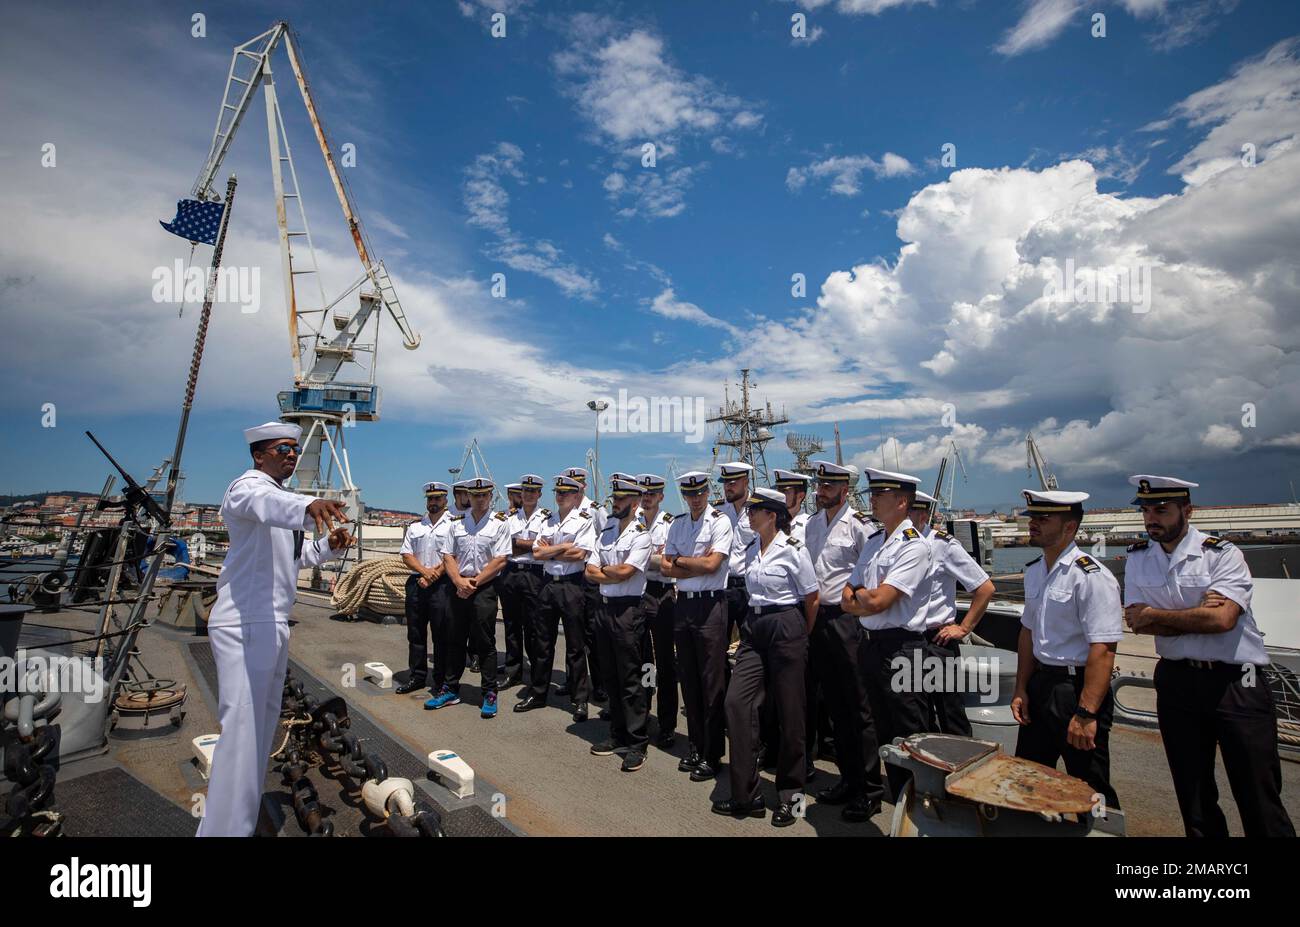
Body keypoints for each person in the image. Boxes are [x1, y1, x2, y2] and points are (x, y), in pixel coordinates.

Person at [197, 422, 352, 837]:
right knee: (242, 734)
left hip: (272, 623)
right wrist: (308, 505)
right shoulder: (245, 488)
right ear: (258, 455)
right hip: (245, 622)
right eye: (282, 448)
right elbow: (265, 503)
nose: (290, 454)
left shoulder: (281, 500)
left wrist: (327, 548)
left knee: (260, 736)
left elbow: (294, 561)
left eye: (294, 449)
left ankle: (240, 825)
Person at [1123, 474, 1294, 837]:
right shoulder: (1139, 558)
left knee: (1258, 797)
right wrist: (1190, 615)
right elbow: (1137, 622)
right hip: (1177, 681)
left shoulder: (1222, 553)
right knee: (1194, 796)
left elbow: (1222, 619)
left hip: (1236, 683)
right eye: (1146, 510)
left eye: (1162, 510)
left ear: (1187, 510)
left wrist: (1159, 614)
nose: (1152, 517)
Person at [1010, 489, 1122, 813]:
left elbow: (1103, 648)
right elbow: (1028, 633)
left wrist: (1086, 714)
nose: (1033, 524)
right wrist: (1021, 688)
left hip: (1076, 691)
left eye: (1043, 518)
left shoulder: (1091, 577)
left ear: (1069, 528)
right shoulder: (1035, 572)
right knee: (1027, 779)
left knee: (1090, 788)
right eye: (1033, 517)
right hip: (1040, 686)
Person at [714, 488, 818, 826]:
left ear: (772, 515)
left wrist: (802, 634)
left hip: (786, 624)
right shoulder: (750, 548)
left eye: (755, 511)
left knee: (791, 714)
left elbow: (811, 597)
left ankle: (793, 798)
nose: (749, 515)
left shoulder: (793, 550)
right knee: (736, 703)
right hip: (754, 626)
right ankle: (747, 794)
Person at [841, 467, 932, 802]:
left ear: (902, 502)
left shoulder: (914, 547)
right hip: (871, 647)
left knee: (910, 736)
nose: (873, 500)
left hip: (903, 651)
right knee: (884, 735)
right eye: (873, 494)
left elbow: (877, 600)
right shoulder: (875, 541)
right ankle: (900, 804)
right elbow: (846, 597)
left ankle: (922, 809)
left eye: (880, 495)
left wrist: (864, 596)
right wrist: (865, 597)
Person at [803, 460, 882, 822]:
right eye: (819, 486)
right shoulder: (812, 524)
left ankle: (870, 790)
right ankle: (848, 780)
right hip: (819, 619)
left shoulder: (859, 527)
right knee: (834, 705)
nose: (821, 492)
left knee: (858, 707)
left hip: (847, 620)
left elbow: (876, 570)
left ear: (844, 490)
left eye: (828, 487)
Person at [661, 470, 734, 782]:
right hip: (685, 604)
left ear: (707, 492)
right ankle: (695, 746)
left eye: (700, 493)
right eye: (690, 494)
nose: (695, 498)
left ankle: (713, 753)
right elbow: (665, 565)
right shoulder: (677, 523)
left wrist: (681, 563)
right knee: (689, 680)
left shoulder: (720, 521)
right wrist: (689, 564)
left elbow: (712, 564)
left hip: (710, 605)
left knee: (711, 682)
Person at [911, 490, 996, 737]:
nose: (907, 517)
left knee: (950, 713)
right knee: (918, 716)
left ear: (924, 514)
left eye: (913, 511)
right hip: (908, 640)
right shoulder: (896, 545)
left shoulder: (942, 546)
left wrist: (964, 627)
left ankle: (962, 768)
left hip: (937, 640)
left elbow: (985, 588)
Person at [429, 477, 511, 719]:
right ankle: (450, 689)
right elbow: (447, 556)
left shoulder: (499, 524)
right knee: (454, 639)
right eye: (475, 495)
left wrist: (474, 583)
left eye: (484, 495)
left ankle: (489, 692)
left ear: (490, 496)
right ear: (468, 497)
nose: (479, 499)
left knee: (484, 642)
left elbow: (501, 559)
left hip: (483, 586)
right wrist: (458, 582)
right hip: (458, 585)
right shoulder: (456, 523)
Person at [586, 479, 654, 771]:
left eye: (621, 499)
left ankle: (637, 742)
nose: (615, 503)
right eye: (614, 498)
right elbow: (589, 571)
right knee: (610, 676)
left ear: (635, 503)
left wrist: (606, 571)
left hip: (628, 611)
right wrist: (608, 573)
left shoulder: (642, 535)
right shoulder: (605, 531)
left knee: (630, 679)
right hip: (603, 609)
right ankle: (617, 735)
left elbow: (628, 572)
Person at [518, 475, 598, 720]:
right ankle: (539, 692)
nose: (560, 496)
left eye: (566, 493)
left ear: (576, 496)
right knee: (541, 642)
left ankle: (579, 698)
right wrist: (563, 547)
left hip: (572, 586)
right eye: (558, 492)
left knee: (575, 646)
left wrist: (552, 550)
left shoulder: (584, 520)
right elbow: (537, 552)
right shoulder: (547, 520)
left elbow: (581, 553)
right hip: (547, 586)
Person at [396, 481, 452, 695]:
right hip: (417, 583)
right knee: (416, 634)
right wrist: (424, 572)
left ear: (445, 500)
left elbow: (453, 555)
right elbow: (406, 555)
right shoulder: (415, 526)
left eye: (438, 498)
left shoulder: (454, 525)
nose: (433, 502)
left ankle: (440, 681)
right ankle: (417, 677)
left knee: (441, 635)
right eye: (430, 498)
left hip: (442, 585)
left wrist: (434, 574)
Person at [637, 473, 678, 749]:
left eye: (653, 493)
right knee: (643, 661)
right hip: (640, 593)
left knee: (664, 664)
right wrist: (650, 556)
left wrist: (642, 556)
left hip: (663, 595)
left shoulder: (670, 523)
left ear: (661, 496)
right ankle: (643, 715)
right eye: (644, 492)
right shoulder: (633, 521)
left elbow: (667, 562)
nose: (647, 496)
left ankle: (667, 725)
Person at [499, 474, 549, 690]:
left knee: (534, 627)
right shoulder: (507, 519)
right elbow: (502, 546)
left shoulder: (548, 519)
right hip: (510, 573)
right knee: (511, 624)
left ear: (539, 494)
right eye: (525, 491)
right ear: (521, 494)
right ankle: (513, 671)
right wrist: (531, 544)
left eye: (533, 491)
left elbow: (544, 548)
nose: (528, 495)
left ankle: (536, 674)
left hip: (535, 574)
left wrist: (518, 543)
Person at [566, 466, 608, 705]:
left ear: (583, 486)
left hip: (588, 575)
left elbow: (604, 537)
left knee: (592, 634)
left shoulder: (595, 510)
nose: (574, 489)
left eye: (577, 485)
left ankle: (599, 684)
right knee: (573, 632)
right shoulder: (562, 511)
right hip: (571, 575)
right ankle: (573, 680)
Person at [717, 462, 754, 639]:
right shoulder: (718, 512)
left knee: (751, 639)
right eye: (725, 483)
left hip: (749, 586)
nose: (727, 488)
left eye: (732, 483)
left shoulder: (760, 509)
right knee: (718, 643)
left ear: (745, 482)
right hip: (722, 584)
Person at [774, 468, 812, 543]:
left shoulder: (810, 525)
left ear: (800, 496)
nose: (780, 495)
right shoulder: (770, 523)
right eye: (778, 491)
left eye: (785, 491)